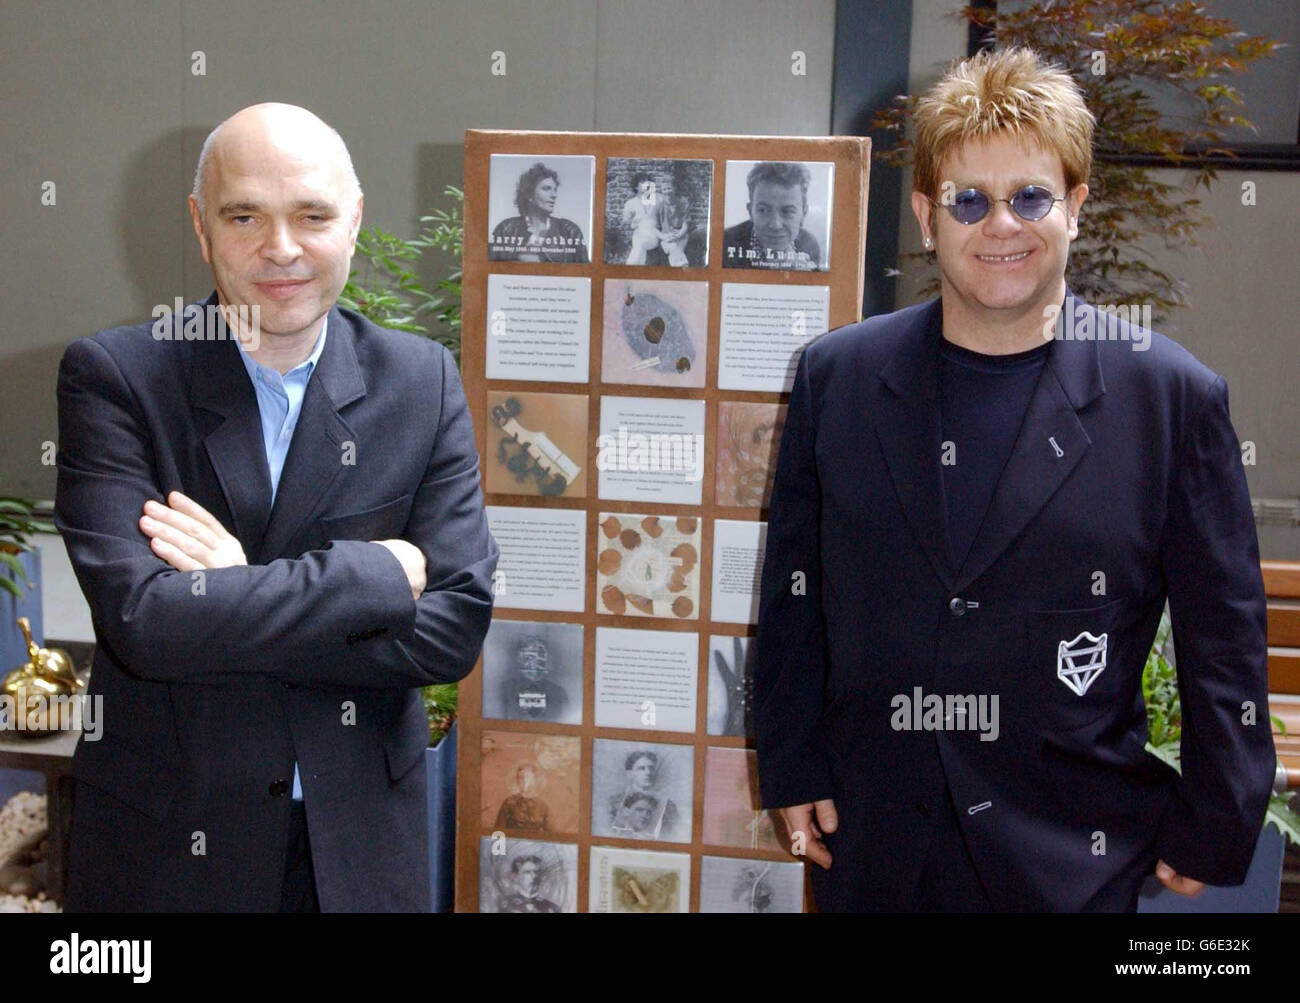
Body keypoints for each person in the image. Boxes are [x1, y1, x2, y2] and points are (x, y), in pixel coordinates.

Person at [754, 47, 1274, 912]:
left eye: (1031, 195)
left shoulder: (1169, 395)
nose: (1002, 224)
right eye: (969, 199)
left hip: (1072, 850)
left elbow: (1223, 634)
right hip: (878, 839)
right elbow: (794, 596)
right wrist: (793, 756)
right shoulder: (835, 378)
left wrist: (1219, 815)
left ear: (1074, 205)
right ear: (927, 215)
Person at [54, 102, 500, 912]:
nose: (281, 248)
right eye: (244, 215)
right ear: (201, 225)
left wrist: (234, 583)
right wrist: (371, 578)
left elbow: (453, 627)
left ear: (355, 220)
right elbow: (145, 622)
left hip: (360, 853)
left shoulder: (421, 381)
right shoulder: (117, 379)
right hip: (172, 856)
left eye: (312, 215)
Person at [722, 162, 821, 270]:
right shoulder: (724, 244)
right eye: (763, 210)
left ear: (803, 213)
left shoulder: (809, 245)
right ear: (750, 211)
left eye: (787, 211)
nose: (775, 225)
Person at [489, 162, 589, 263]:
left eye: (555, 190)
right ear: (529, 194)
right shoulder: (506, 229)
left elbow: (583, 272)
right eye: (547, 189)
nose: (554, 195)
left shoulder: (569, 231)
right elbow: (491, 269)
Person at [607, 750, 679, 840]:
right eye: (641, 768)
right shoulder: (614, 802)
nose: (648, 773)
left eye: (651, 768)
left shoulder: (669, 806)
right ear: (629, 774)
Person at [500, 633, 570, 721]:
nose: (535, 661)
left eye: (541, 655)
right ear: (518, 658)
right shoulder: (504, 689)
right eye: (529, 656)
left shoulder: (559, 693)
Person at [621, 173, 663, 265]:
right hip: (639, 232)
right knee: (639, 243)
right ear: (636, 187)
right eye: (643, 182)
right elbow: (625, 220)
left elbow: (669, 212)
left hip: (654, 232)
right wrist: (633, 221)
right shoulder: (631, 203)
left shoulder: (659, 198)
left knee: (640, 244)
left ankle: (630, 268)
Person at [495, 764, 550, 832]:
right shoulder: (509, 803)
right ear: (517, 780)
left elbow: (552, 835)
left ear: (534, 780)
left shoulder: (543, 806)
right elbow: (498, 832)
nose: (524, 780)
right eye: (520, 777)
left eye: (527, 777)